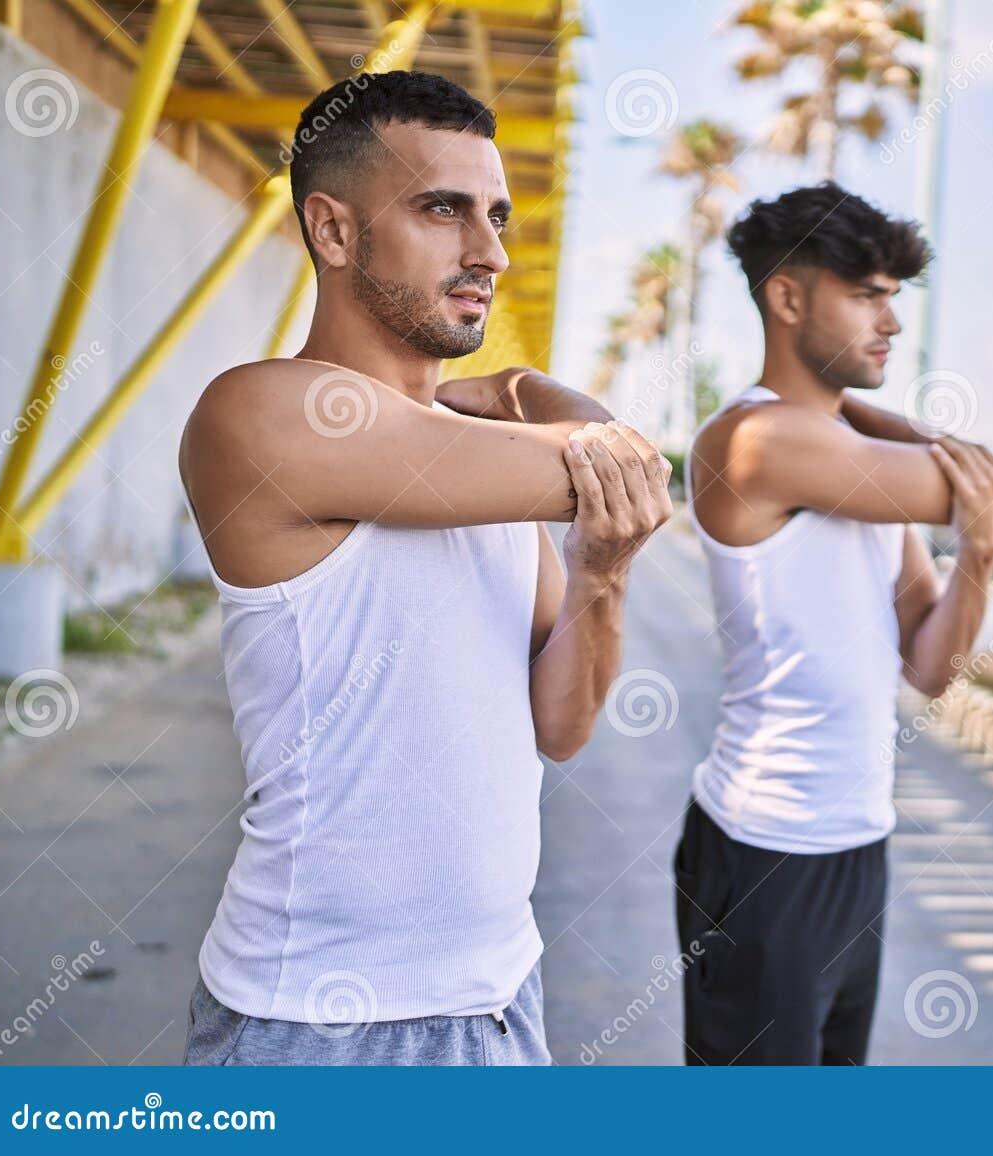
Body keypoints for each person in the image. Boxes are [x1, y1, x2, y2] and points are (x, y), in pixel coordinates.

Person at [177, 71, 671, 1065]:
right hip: (318, 1026)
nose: (490, 251)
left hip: (500, 1001)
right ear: (333, 230)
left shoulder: (482, 462)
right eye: (443, 209)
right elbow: (623, 461)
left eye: (496, 215)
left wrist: (602, 572)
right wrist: (524, 390)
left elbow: (561, 726)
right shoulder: (262, 410)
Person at [675, 182, 993, 1065]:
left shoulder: (852, 461)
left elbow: (929, 666)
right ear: (787, 298)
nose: (892, 323)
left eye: (894, 298)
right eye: (867, 296)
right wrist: (960, 494)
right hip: (762, 850)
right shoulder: (755, 441)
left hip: (856, 843)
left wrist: (978, 558)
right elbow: (981, 480)